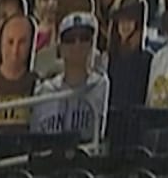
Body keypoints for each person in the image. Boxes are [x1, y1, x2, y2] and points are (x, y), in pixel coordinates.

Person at [31, 12, 110, 150]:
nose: (77, 44)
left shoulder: (102, 85)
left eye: (84, 38)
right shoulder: (44, 91)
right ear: (60, 47)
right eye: (70, 39)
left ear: (92, 43)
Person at [0, 14, 38, 135]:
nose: (15, 50)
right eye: (10, 42)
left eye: (22, 42)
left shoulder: (37, 85)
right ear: (1, 42)